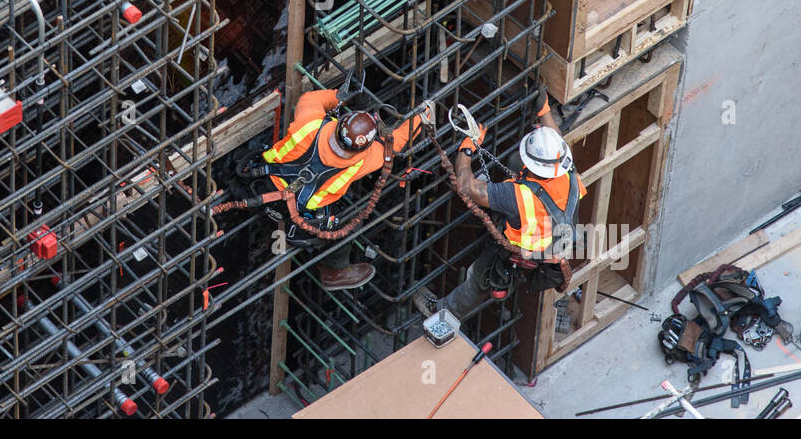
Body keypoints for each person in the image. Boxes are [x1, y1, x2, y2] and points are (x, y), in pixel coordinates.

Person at [416, 88, 584, 318]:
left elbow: (466, 186)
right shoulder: (568, 174)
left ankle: (441, 311)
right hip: (556, 243)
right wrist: (543, 109)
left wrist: (467, 147)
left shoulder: (516, 195)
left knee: (478, 279)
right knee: (513, 163)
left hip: (526, 250)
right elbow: (556, 139)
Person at [241, 88, 430, 291]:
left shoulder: (310, 120)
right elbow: (398, 142)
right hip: (294, 213)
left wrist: (341, 95)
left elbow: (312, 98)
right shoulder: (365, 160)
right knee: (349, 220)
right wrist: (422, 115)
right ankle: (334, 271)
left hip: (257, 184)